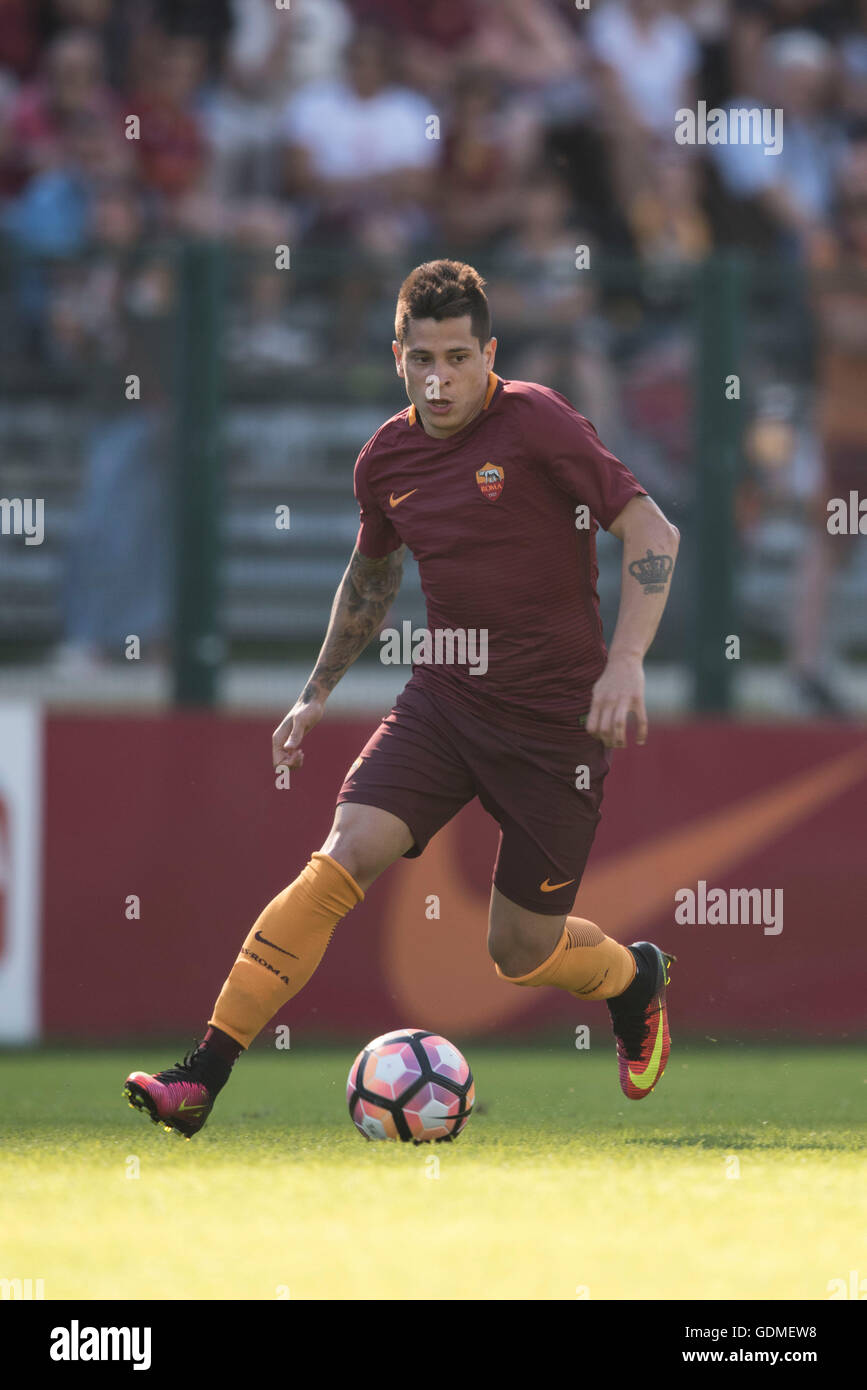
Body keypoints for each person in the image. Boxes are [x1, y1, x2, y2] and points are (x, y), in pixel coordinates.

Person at [124, 260, 680, 1139]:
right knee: (344, 851)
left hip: (553, 727)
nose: (439, 378)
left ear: (488, 353)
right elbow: (371, 578)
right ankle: (200, 1076)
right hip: (445, 701)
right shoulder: (385, 457)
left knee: (518, 951)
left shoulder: (536, 419)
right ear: (396, 356)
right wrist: (314, 694)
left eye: (458, 357)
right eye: (422, 358)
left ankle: (633, 980)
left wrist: (626, 663)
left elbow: (653, 530)